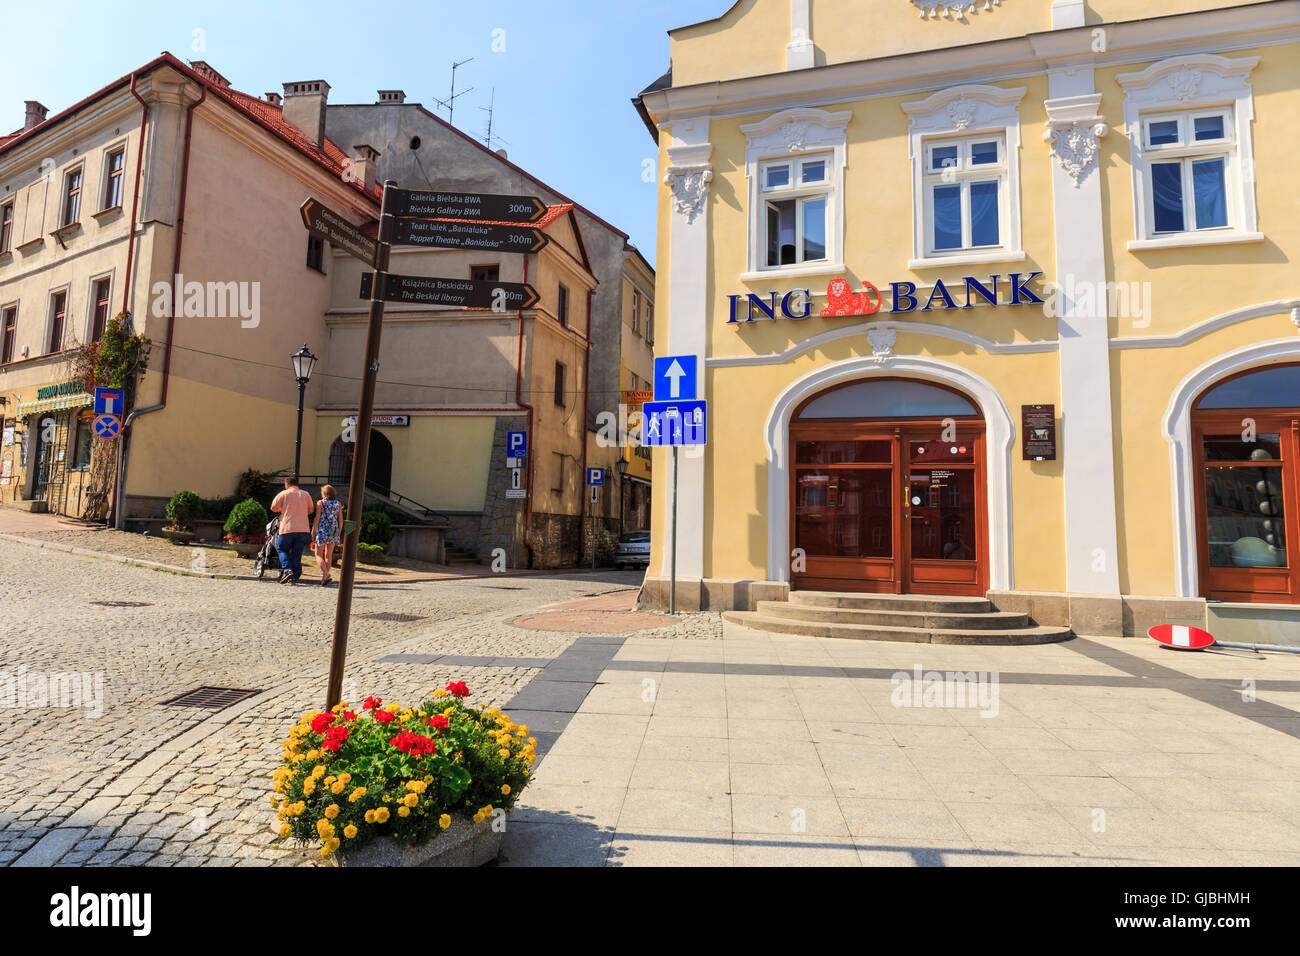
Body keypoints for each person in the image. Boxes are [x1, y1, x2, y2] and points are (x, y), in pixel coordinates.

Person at [270, 476, 314, 584]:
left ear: (286, 485)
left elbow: (273, 507)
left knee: (282, 549)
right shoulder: (306, 494)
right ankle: (295, 574)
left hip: (287, 528)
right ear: (297, 484)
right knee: (297, 553)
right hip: (303, 528)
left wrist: (281, 509)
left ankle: (287, 570)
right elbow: (311, 510)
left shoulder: (284, 493)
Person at [311, 484, 343, 586]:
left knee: (318, 554)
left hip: (322, 529)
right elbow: (341, 520)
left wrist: (313, 530)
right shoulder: (338, 504)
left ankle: (325, 573)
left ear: (324, 493)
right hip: (334, 529)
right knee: (328, 555)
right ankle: (325, 577)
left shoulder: (320, 503)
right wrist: (339, 532)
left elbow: (317, 518)